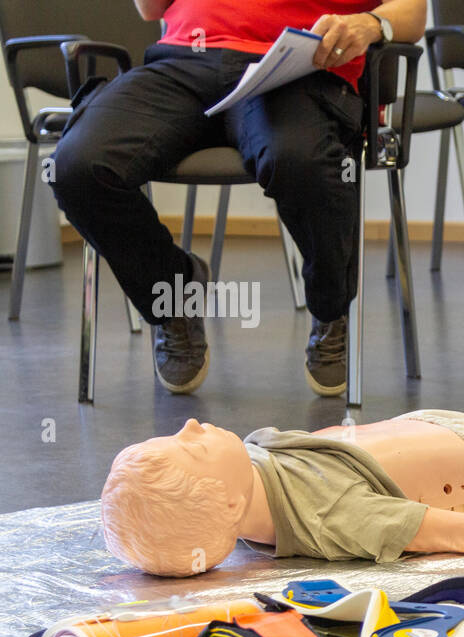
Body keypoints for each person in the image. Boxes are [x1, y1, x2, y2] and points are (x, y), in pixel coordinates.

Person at [50, 0, 427, 397]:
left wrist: (369, 23)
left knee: (299, 161)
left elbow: (414, 14)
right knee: (77, 167)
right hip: (183, 61)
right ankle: (175, 295)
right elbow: (150, 9)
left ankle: (330, 309)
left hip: (297, 66)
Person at [99, 392, 464, 576]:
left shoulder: (250, 465)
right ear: (227, 504)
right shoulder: (327, 517)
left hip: (445, 432)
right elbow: (448, 533)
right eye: (189, 445)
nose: (192, 423)